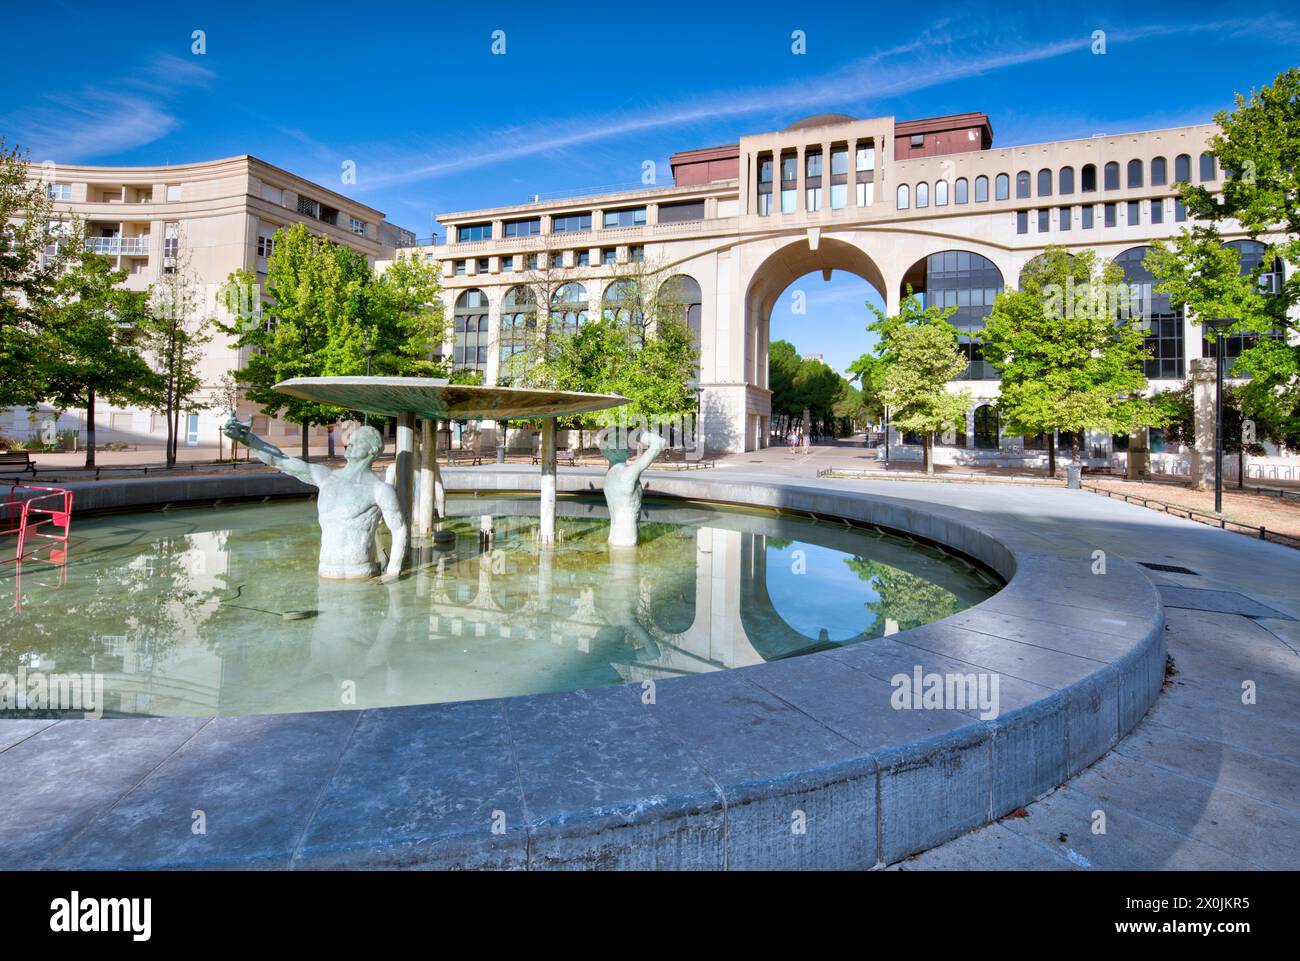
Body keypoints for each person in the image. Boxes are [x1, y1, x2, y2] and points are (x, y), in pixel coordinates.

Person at [222, 416, 407, 581]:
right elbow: (281, 461)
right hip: (325, 573)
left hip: (360, 574)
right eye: (350, 440)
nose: (350, 444)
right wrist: (249, 439)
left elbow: (399, 530)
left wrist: (392, 571)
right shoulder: (326, 477)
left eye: (358, 442)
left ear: (373, 450)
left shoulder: (379, 489)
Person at [599, 429, 667, 547]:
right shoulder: (628, 474)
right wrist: (634, 433)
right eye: (621, 443)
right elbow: (659, 443)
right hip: (627, 538)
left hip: (614, 535)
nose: (627, 446)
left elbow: (599, 439)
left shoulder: (610, 473)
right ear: (612, 451)